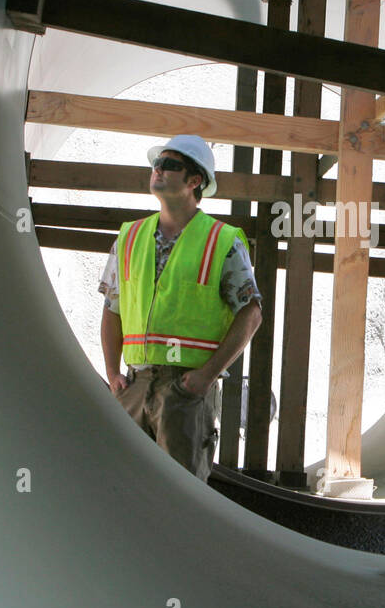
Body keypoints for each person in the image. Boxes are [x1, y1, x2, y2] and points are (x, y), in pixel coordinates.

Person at [99, 135, 262, 482]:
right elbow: (112, 310)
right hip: (134, 384)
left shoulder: (222, 240)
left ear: (194, 181)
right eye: (157, 163)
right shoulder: (129, 237)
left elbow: (251, 313)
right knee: (123, 489)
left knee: (179, 495)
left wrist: (206, 376)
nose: (158, 169)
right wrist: (113, 372)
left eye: (170, 165)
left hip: (184, 391)